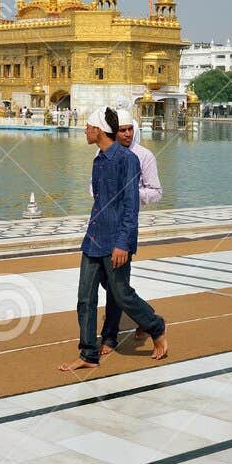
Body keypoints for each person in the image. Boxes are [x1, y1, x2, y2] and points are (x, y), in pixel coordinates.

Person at [60, 107, 169, 371]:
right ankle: (88, 354)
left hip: (116, 241)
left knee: (121, 294)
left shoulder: (128, 160)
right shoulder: (98, 160)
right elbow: (99, 199)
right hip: (94, 238)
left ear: (98, 130)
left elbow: (131, 206)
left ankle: (155, 326)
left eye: (87, 127)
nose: (84, 130)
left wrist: (123, 242)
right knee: (85, 298)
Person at [97, 107, 163, 356]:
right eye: (121, 130)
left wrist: (128, 194)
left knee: (117, 284)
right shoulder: (105, 151)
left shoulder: (143, 156)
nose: (126, 134)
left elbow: (156, 191)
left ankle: (111, 336)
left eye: (129, 129)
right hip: (103, 226)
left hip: (125, 226)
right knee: (112, 283)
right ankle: (145, 318)